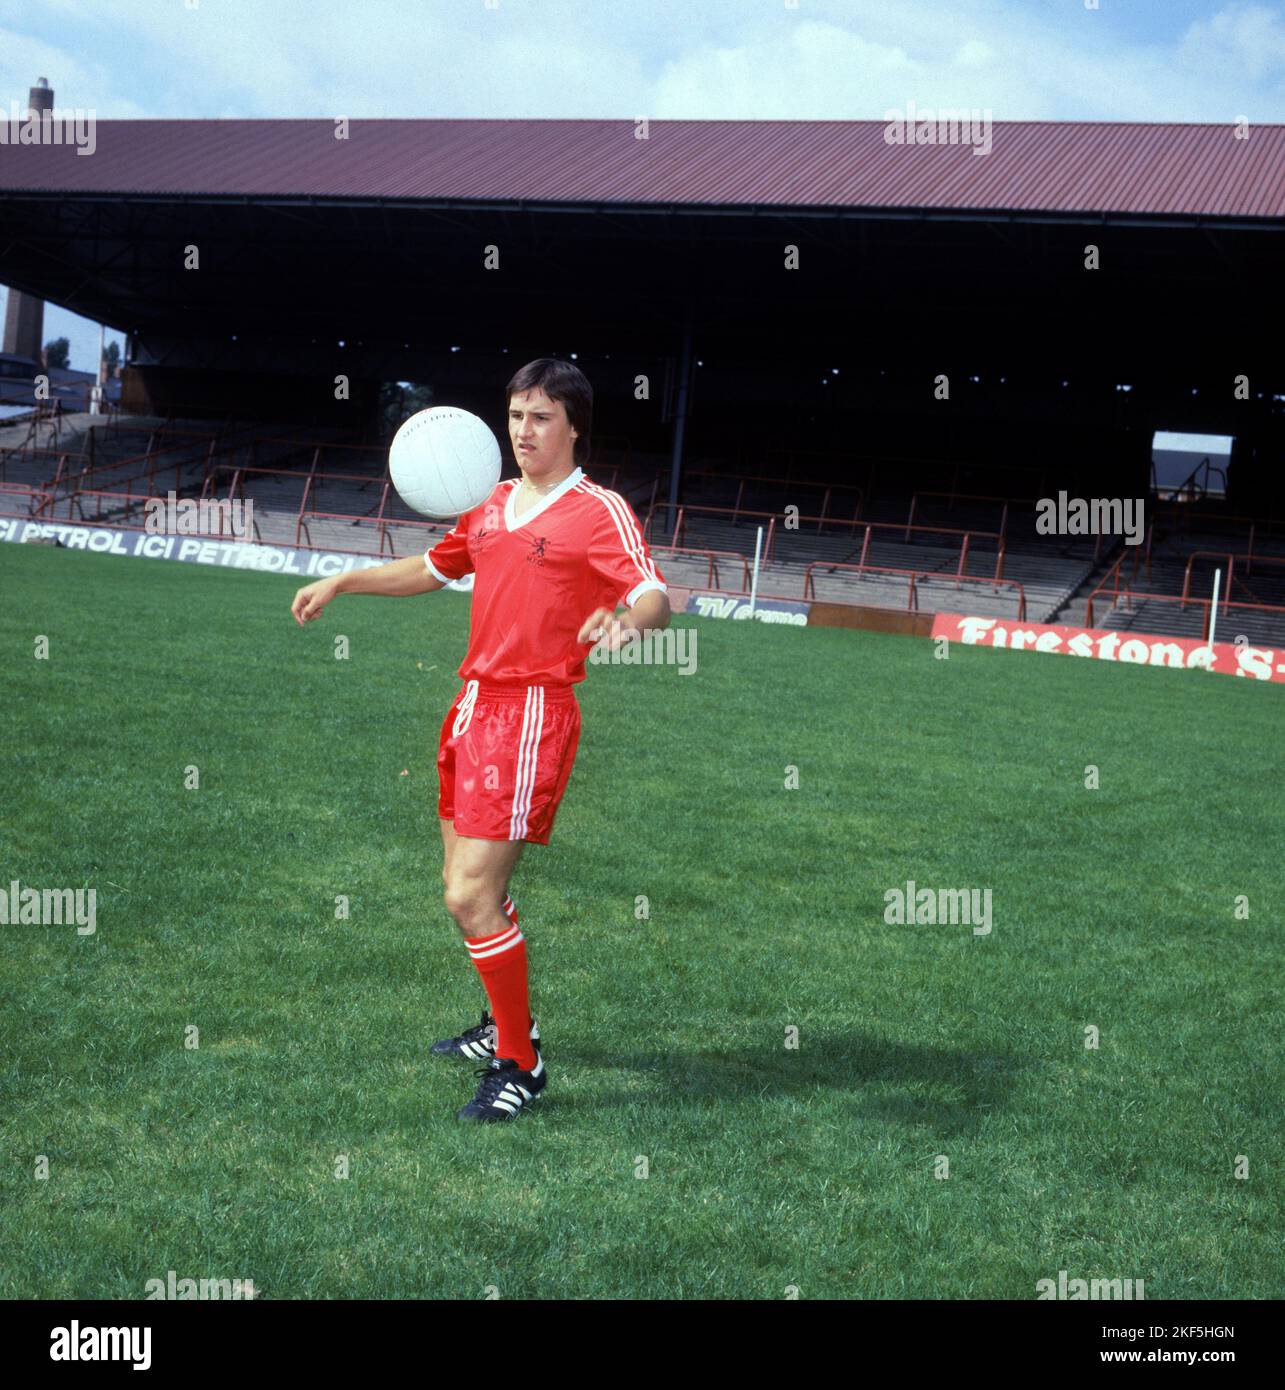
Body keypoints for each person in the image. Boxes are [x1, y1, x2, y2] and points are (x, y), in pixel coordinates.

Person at [290, 358, 670, 1121]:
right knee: (469, 894)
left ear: (572, 427)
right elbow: (435, 568)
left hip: (531, 713)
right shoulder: (492, 503)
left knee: (469, 895)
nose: (523, 432)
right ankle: (506, 1024)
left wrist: (629, 624)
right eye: (516, 416)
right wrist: (342, 581)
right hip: (471, 706)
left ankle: (520, 1066)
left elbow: (653, 593)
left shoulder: (597, 509)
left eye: (539, 418)